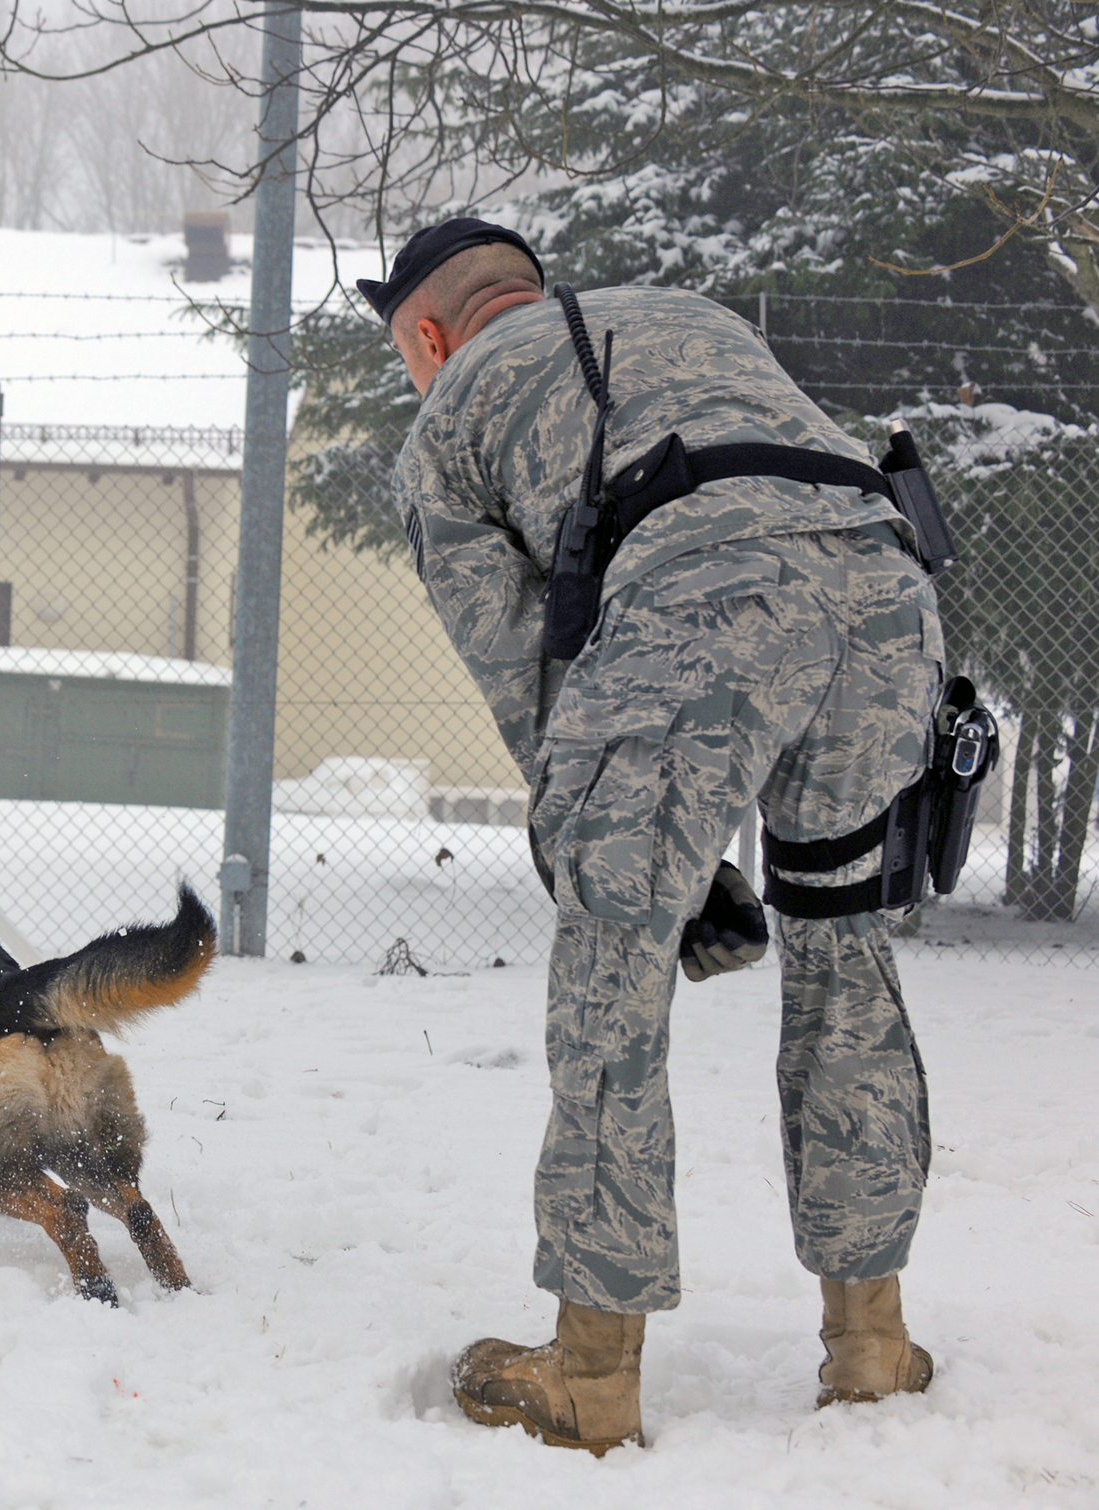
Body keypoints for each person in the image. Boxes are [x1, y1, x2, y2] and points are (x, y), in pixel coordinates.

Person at [360, 219, 942, 1451]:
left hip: (703, 606)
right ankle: (873, 1343)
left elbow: (536, 684)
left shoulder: (454, 407)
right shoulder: (691, 316)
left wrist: (637, 872)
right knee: (846, 950)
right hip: (890, 593)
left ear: (426, 333)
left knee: (610, 974)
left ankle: (590, 1371)